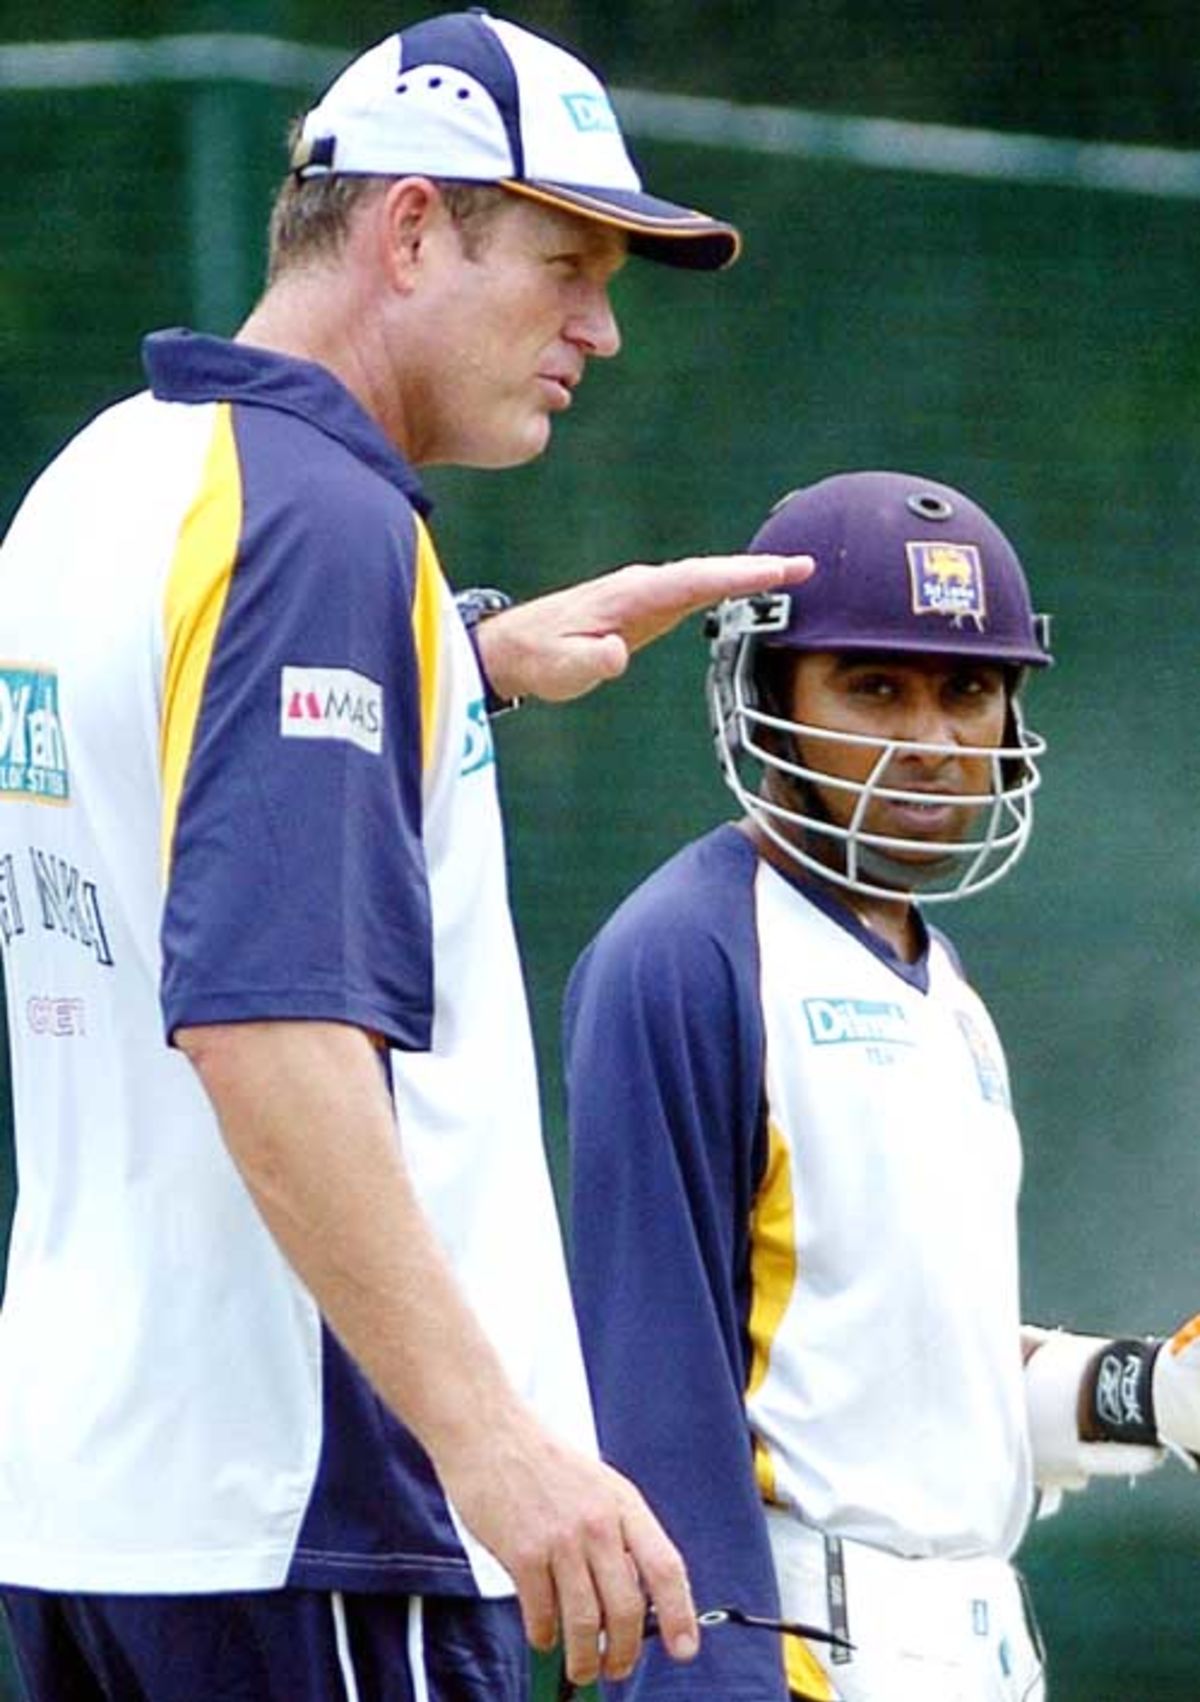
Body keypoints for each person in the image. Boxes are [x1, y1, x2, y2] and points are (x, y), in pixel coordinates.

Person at [0, 12, 812, 1701]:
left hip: (97, 1511)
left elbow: (156, 826)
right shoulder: (320, 523)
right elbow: (264, 1029)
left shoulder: (98, 482)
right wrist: (498, 1446)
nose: (598, 327)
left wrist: (460, 664)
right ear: (413, 228)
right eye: (567, 263)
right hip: (318, 1518)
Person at [564, 469, 1200, 1701]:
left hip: (977, 1652)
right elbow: (654, 1389)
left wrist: (1152, 1390)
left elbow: (904, 1372)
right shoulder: (688, 954)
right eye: (875, 685)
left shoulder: (945, 988)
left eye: (968, 690)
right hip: (796, 1654)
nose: (932, 739)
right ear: (766, 691)